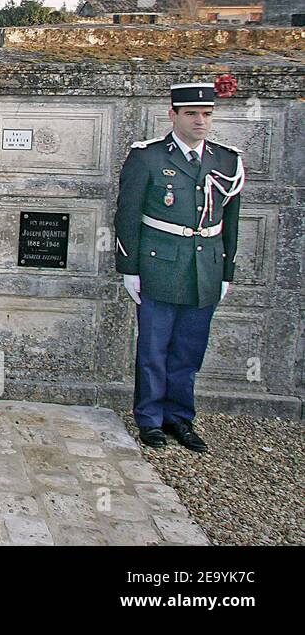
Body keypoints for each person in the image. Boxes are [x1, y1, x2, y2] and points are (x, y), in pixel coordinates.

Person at [114, 81, 244, 453]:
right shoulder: (149, 158)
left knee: (189, 350)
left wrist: (226, 271)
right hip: (160, 265)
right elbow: (128, 215)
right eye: (192, 114)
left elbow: (231, 220)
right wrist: (129, 267)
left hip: (204, 267)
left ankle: (180, 418)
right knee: (154, 349)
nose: (200, 121)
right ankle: (150, 419)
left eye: (206, 114)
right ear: (174, 115)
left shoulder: (226, 160)